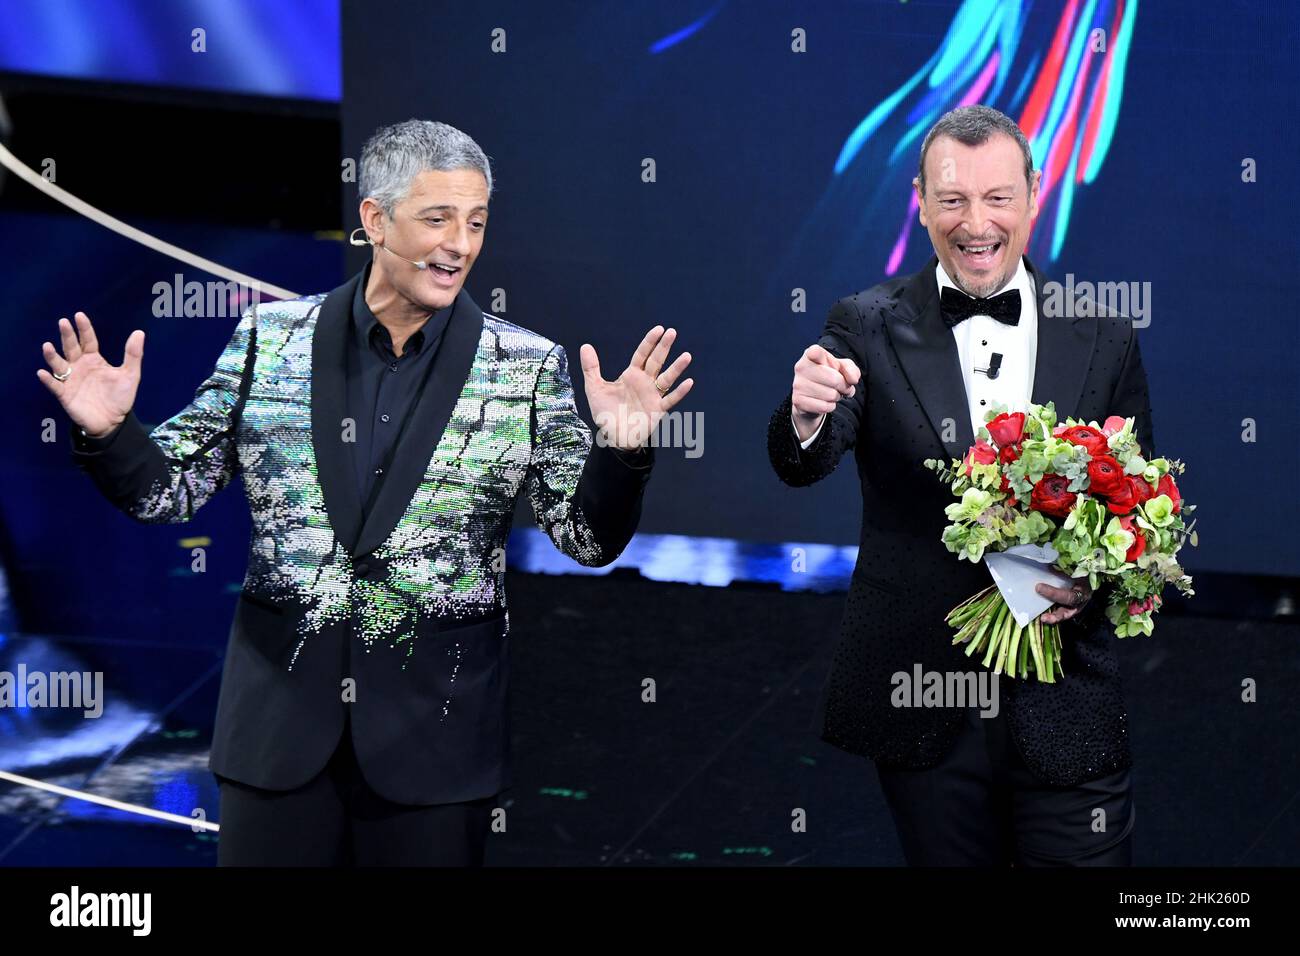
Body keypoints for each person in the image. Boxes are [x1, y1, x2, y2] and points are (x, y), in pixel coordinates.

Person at [38, 119, 693, 866]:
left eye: (476, 222)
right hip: (276, 741)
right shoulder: (270, 339)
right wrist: (110, 432)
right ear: (375, 219)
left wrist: (625, 451)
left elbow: (587, 539)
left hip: (435, 745)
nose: (460, 244)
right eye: (437, 218)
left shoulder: (525, 368)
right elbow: (169, 493)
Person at [768, 105, 1153, 866]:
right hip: (923, 699)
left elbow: (1141, 505)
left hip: (1066, 700)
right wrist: (806, 416)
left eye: (997, 197)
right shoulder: (865, 323)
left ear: (1034, 195)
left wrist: (1094, 579)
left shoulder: (1103, 333)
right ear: (919, 200)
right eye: (952, 200)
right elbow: (801, 460)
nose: (976, 223)